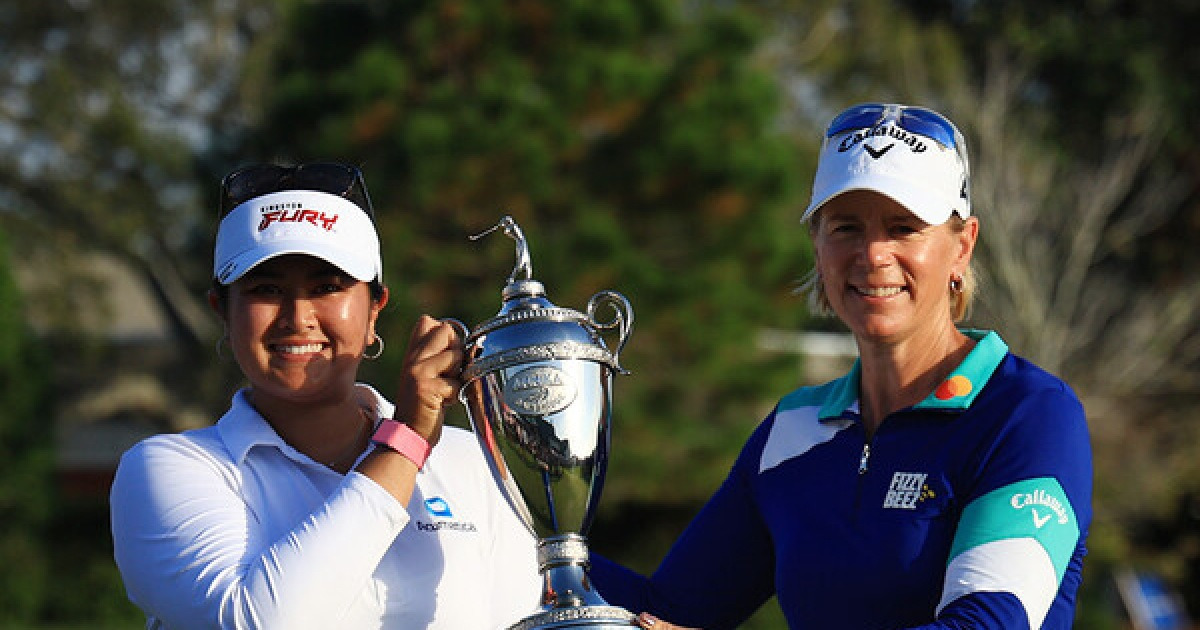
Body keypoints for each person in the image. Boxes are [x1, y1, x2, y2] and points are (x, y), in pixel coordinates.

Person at [589, 103, 1093, 629]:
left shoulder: (1029, 414)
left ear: (962, 247)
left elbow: (988, 625)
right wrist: (524, 542)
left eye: (903, 228)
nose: (872, 254)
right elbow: (665, 613)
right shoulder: (792, 430)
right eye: (846, 227)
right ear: (817, 245)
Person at [109, 162, 540, 628]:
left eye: (328, 287)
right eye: (266, 289)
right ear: (223, 313)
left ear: (375, 308)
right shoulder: (170, 468)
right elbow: (259, 622)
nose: (298, 317)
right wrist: (409, 439)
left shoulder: (471, 462)